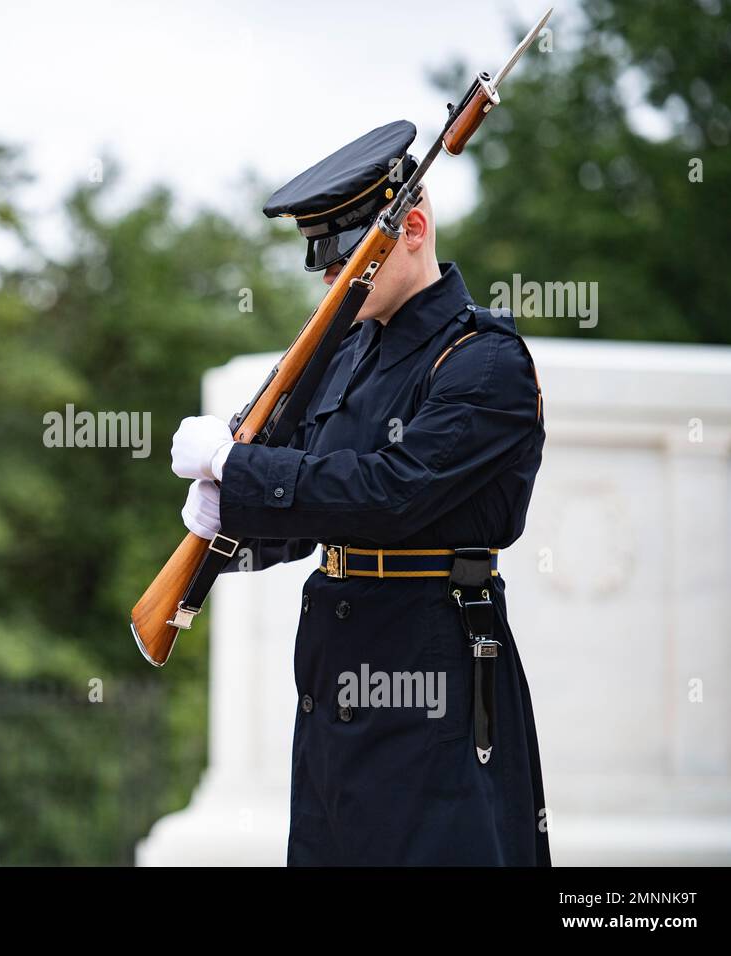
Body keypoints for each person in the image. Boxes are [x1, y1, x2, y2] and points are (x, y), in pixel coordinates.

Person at [171, 120, 551, 866]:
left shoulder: (483, 361)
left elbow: (388, 494)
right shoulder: (349, 354)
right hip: (333, 675)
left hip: (428, 677)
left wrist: (241, 472)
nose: (329, 280)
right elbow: (317, 504)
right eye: (321, 261)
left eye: (344, 258)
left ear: (411, 227)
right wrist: (229, 524)